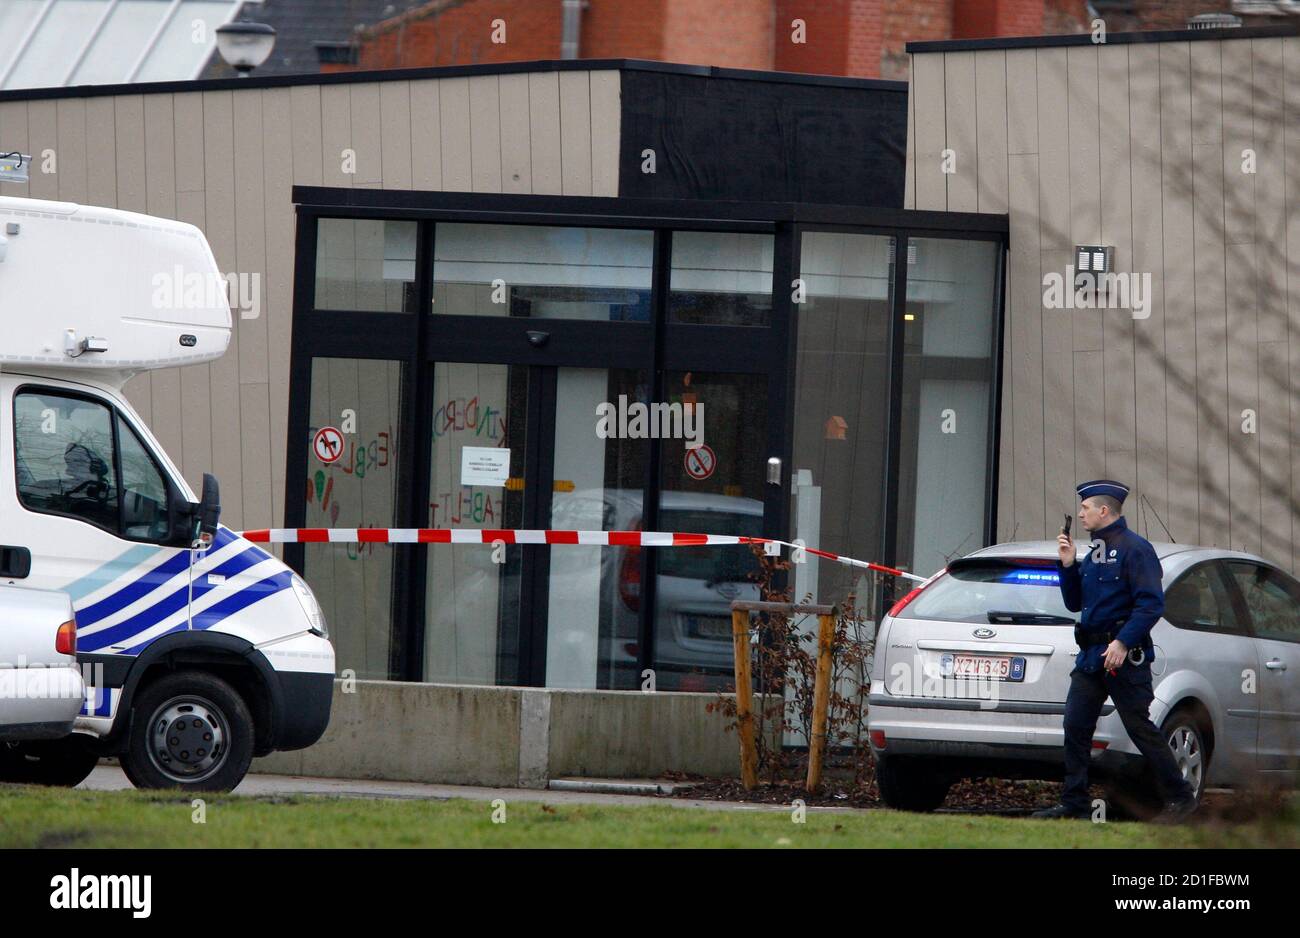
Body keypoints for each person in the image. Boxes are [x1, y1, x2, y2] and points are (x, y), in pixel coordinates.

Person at [1031, 479, 1197, 823]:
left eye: (1086, 508)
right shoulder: (1093, 552)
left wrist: (1123, 642)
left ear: (1104, 510)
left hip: (1124, 657)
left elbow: (1151, 605)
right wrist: (1067, 566)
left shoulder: (1136, 550)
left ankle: (1181, 798)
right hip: (1091, 657)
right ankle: (1074, 803)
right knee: (1075, 726)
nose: (1080, 514)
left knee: (1140, 728)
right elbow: (1076, 602)